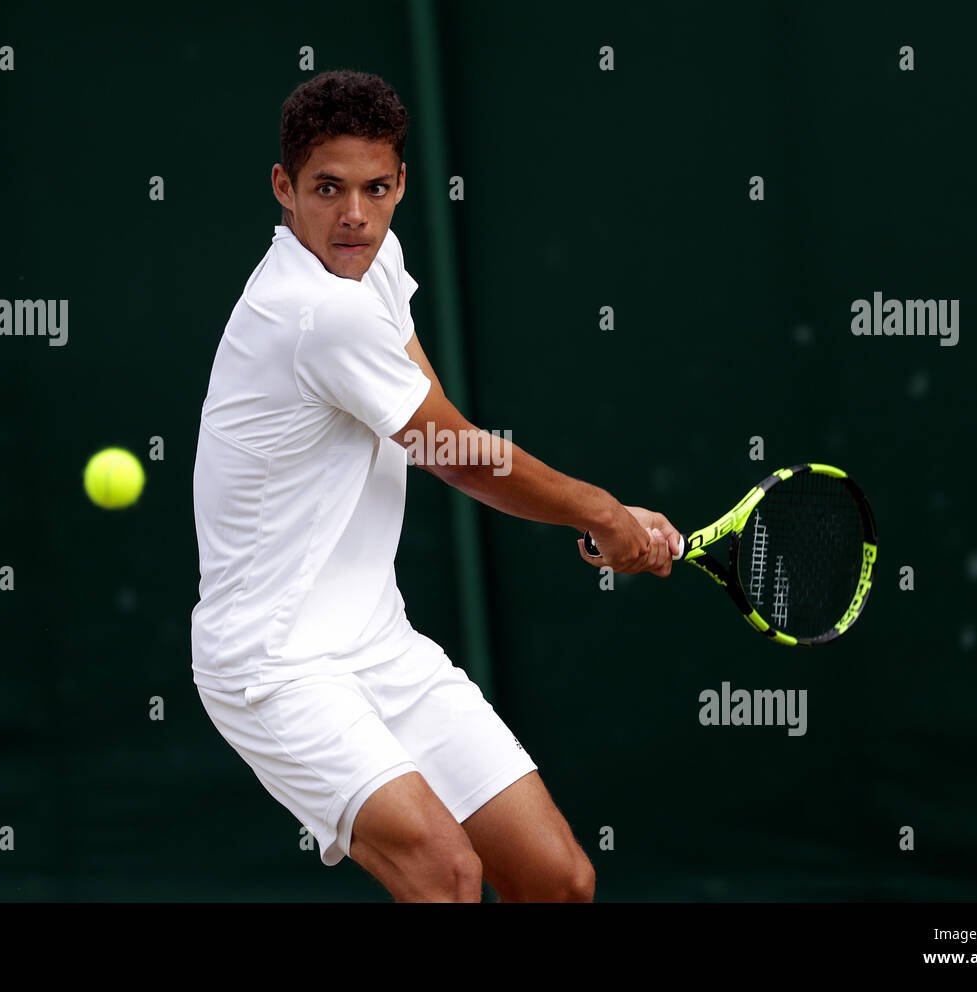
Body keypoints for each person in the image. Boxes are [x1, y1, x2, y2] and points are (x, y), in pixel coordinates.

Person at [191, 69, 681, 903]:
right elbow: (455, 454)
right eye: (328, 189)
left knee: (558, 879)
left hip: (378, 640)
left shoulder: (372, 263)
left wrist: (598, 512)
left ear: (401, 184)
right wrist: (601, 511)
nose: (355, 215)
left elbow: (436, 420)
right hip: (272, 664)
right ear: (284, 188)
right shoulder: (314, 313)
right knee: (445, 874)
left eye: (376, 189)